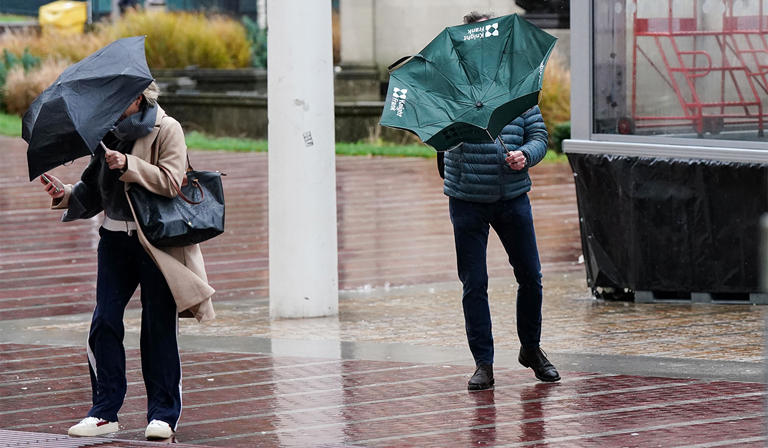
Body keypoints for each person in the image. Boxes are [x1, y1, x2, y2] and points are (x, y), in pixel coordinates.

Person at [40, 81, 215, 439]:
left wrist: (130, 164)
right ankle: (104, 411)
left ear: (137, 97)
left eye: (117, 96)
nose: (109, 102)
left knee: (157, 326)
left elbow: (172, 182)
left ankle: (163, 415)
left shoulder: (167, 128)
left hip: (156, 243)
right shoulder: (106, 132)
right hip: (114, 240)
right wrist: (65, 193)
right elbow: (94, 189)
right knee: (104, 320)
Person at [444, 11, 561, 390]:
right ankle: (483, 363)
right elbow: (439, 141)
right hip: (467, 200)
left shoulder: (517, 86)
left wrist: (526, 155)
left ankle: (531, 349)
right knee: (474, 283)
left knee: (531, 276)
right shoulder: (451, 88)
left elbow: (539, 136)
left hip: (512, 197)